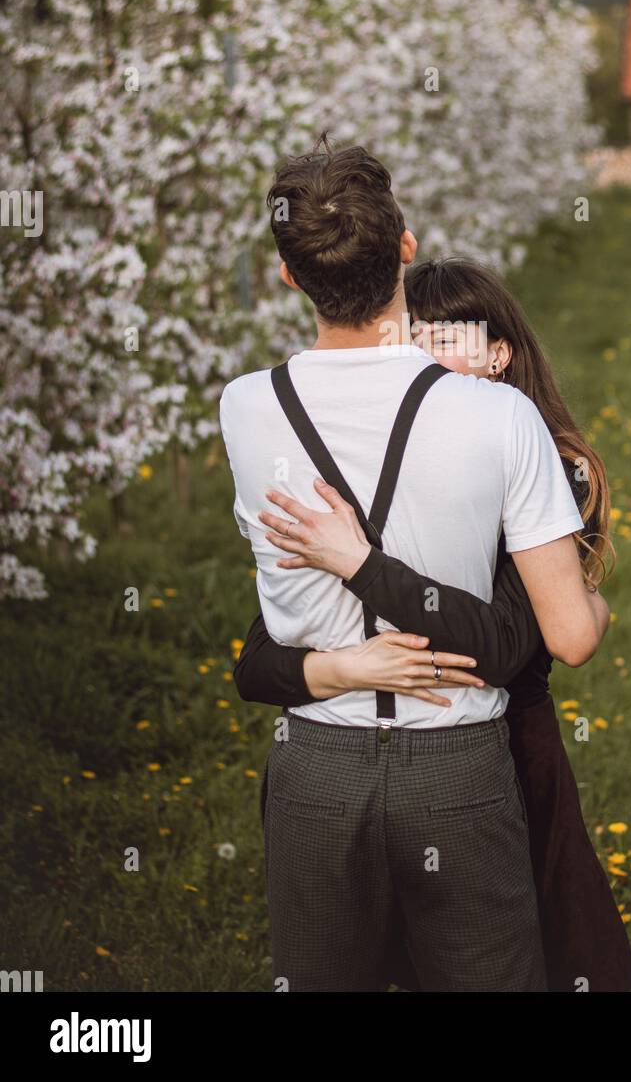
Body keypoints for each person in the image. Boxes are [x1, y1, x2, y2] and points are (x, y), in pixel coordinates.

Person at [219, 134, 608, 993]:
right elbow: (571, 634)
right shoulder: (502, 419)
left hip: (316, 764)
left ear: (290, 276)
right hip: (459, 761)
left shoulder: (244, 408)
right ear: (406, 247)